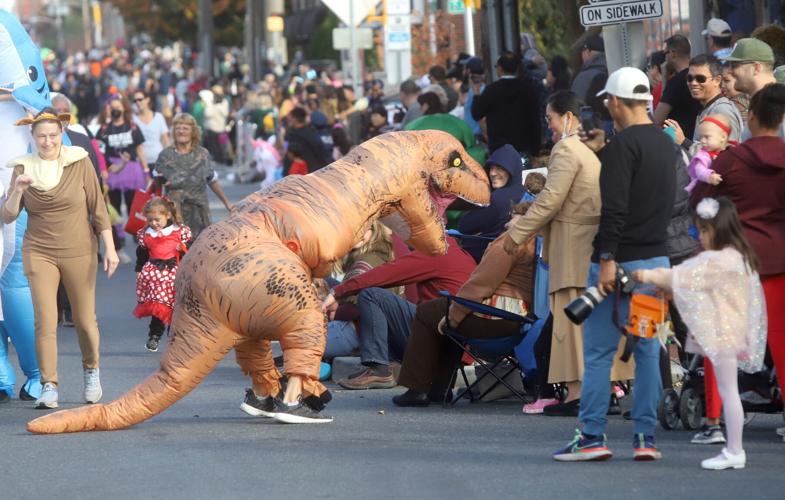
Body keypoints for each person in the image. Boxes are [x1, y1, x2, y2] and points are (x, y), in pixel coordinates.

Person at [552, 68, 676, 462]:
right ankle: (645, 439)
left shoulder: (623, 148)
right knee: (645, 350)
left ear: (617, 102)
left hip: (617, 265)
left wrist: (606, 258)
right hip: (655, 264)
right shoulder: (665, 144)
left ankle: (591, 437)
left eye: (608, 100)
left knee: (600, 352)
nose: (606, 106)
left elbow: (616, 211)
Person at [501, 90, 632, 417]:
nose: (549, 127)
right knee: (591, 321)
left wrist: (518, 233)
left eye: (551, 119)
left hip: (572, 244)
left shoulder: (566, 149)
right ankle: (602, 391)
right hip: (586, 241)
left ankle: (576, 394)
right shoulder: (587, 149)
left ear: (568, 118)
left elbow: (551, 200)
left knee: (570, 322)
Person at [634, 197, 766, 470]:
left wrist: (645, 275)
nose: (701, 237)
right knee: (728, 391)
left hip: (723, 335)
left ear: (719, 230)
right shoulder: (739, 257)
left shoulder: (717, 260)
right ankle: (733, 449)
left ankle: (734, 450)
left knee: (728, 392)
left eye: (704, 231)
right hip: (734, 333)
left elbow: (679, 276)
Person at [1, 108, 118, 409]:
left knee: (84, 321)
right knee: (45, 320)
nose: (48, 141)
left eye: (53, 135)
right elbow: (8, 214)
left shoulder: (78, 162)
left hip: (79, 249)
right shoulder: (22, 167)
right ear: (33, 137)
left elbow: (98, 207)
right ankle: (49, 384)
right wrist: (17, 191)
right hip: (39, 250)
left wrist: (110, 248)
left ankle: (91, 369)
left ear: (61, 134)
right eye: (42, 136)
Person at [692, 83, 785, 440]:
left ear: (751, 116)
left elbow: (702, 204)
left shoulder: (729, 160)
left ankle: (714, 422)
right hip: (779, 260)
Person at [393, 202, 536, 406]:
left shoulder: (512, 241)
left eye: (513, 217)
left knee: (430, 312)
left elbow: (479, 285)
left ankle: (417, 389)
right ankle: (440, 389)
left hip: (498, 317)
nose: (507, 224)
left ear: (526, 218)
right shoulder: (539, 242)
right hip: (520, 317)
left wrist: (453, 315)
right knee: (444, 311)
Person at [322, 235, 476, 390]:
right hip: (457, 346)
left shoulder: (437, 252)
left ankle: (379, 368)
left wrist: (337, 292)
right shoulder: (461, 254)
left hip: (440, 342)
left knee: (371, 295)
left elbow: (383, 275)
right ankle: (387, 365)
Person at [322, 221, 395, 361]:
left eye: (364, 229)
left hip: (361, 332)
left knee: (298, 343)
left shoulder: (369, 261)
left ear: (374, 230)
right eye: (352, 230)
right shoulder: (379, 252)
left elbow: (356, 309)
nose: (358, 234)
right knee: (326, 282)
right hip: (375, 331)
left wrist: (328, 314)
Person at [154, 113, 233, 239]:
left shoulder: (202, 154)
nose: (181, 131)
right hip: (174, 212)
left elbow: (212, 180)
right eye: (178, 128)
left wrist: (227, 203)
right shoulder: (165, 155)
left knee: (200, 251)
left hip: (199, 212)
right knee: (176, 252)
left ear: (193, 132)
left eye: (185, 128)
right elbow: (156, 183)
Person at [134, 197, 192, 352]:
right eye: (150, 220)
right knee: (159, 307)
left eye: (157, 219)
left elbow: (190, 254)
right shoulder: (146, 234)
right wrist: (139, 271)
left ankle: (174, 336)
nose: (154, 223)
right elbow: (142, 255)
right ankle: (154, 335)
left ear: (167, 215)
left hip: (175, 274)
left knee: (176, 307)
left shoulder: (179, 232)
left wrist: (183, 249)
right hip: (156, 276)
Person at [96, 94, 149, 264]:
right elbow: (100, 155)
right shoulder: (104, 130)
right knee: (115, 212)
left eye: (118, 106)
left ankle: (142, 246)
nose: (115, 109)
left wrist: (146, 170)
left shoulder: (132, 127)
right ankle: (118, 248)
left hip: (132, 172)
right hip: (113, 173)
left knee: (137, 211)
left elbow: (140, 149)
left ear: (124, 108)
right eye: (113, 107)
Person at [457, 144, 524, 262]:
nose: (492, 173)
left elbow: (464, 226)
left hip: (481, 260)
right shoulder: (522, 192)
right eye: (491, 168)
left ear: (512, 169)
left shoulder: (499, 199)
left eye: (500, 168)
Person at [663, 55, 743, 150]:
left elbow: (727, 155)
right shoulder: (709, 107)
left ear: (717, 80)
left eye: (700, 79)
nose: (693, 83)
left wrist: (683, 142)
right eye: (689, 78)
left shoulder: (722, 110)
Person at [471, 52, 542, 157]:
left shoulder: (492, 90)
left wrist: (476, 94)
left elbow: (476, 114)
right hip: (524, 148)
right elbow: (536, 121)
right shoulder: (527, 90)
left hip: (499, 150)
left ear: (499, 69)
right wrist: (536, 150)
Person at [726, 38, 785, 138]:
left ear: (756, 68)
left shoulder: (780, 103)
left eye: (735, 65)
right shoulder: (758, 103)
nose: (730, 71)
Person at [654, 35, 702, 140]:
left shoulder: (676, 82)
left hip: (680, 142)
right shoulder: (698, 76)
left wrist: (665, 77)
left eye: (665, 54)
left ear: (672, 53)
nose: (664, 59)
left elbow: (658, 118)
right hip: (698, 137)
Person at [684, 115, 731, 192]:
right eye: (701, 137)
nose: (702, 141)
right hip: (702, 190)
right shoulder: (703, 155)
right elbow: (699, 170)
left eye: (706, 137)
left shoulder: (730, 152)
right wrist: (709, 176)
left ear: (723, 137)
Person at [571, 34, 609, 122]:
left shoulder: (583, 77)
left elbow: (574, 107)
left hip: (590, 128)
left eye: (582, 52)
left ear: (588, 52)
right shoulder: (615, 70)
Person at [283, 107, 331, 174]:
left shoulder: (292, 135)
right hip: (318, 171)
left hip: (302, 175)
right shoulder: (312, 132)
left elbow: (287, 153)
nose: (289, 120)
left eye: (290, 118)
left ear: (295, 119)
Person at [132, 89, 170, 170]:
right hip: (140, 163)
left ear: (147, 99)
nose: (137, 103)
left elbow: (165, 140)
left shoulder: (159, 117)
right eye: (135, 101)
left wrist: (169, 160)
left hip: (159, 161)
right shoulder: (133, 119)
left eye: (140, 99)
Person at [201, 85, 230, 164]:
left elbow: (225, 113)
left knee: (219, 146)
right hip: (211, 128)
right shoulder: (210, 101)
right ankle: (216, 159)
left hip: (220, 128)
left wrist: (215, 106)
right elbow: (208, 114)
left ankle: (220, 160)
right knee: (212, 145)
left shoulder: (224, 102)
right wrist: (210, 104)